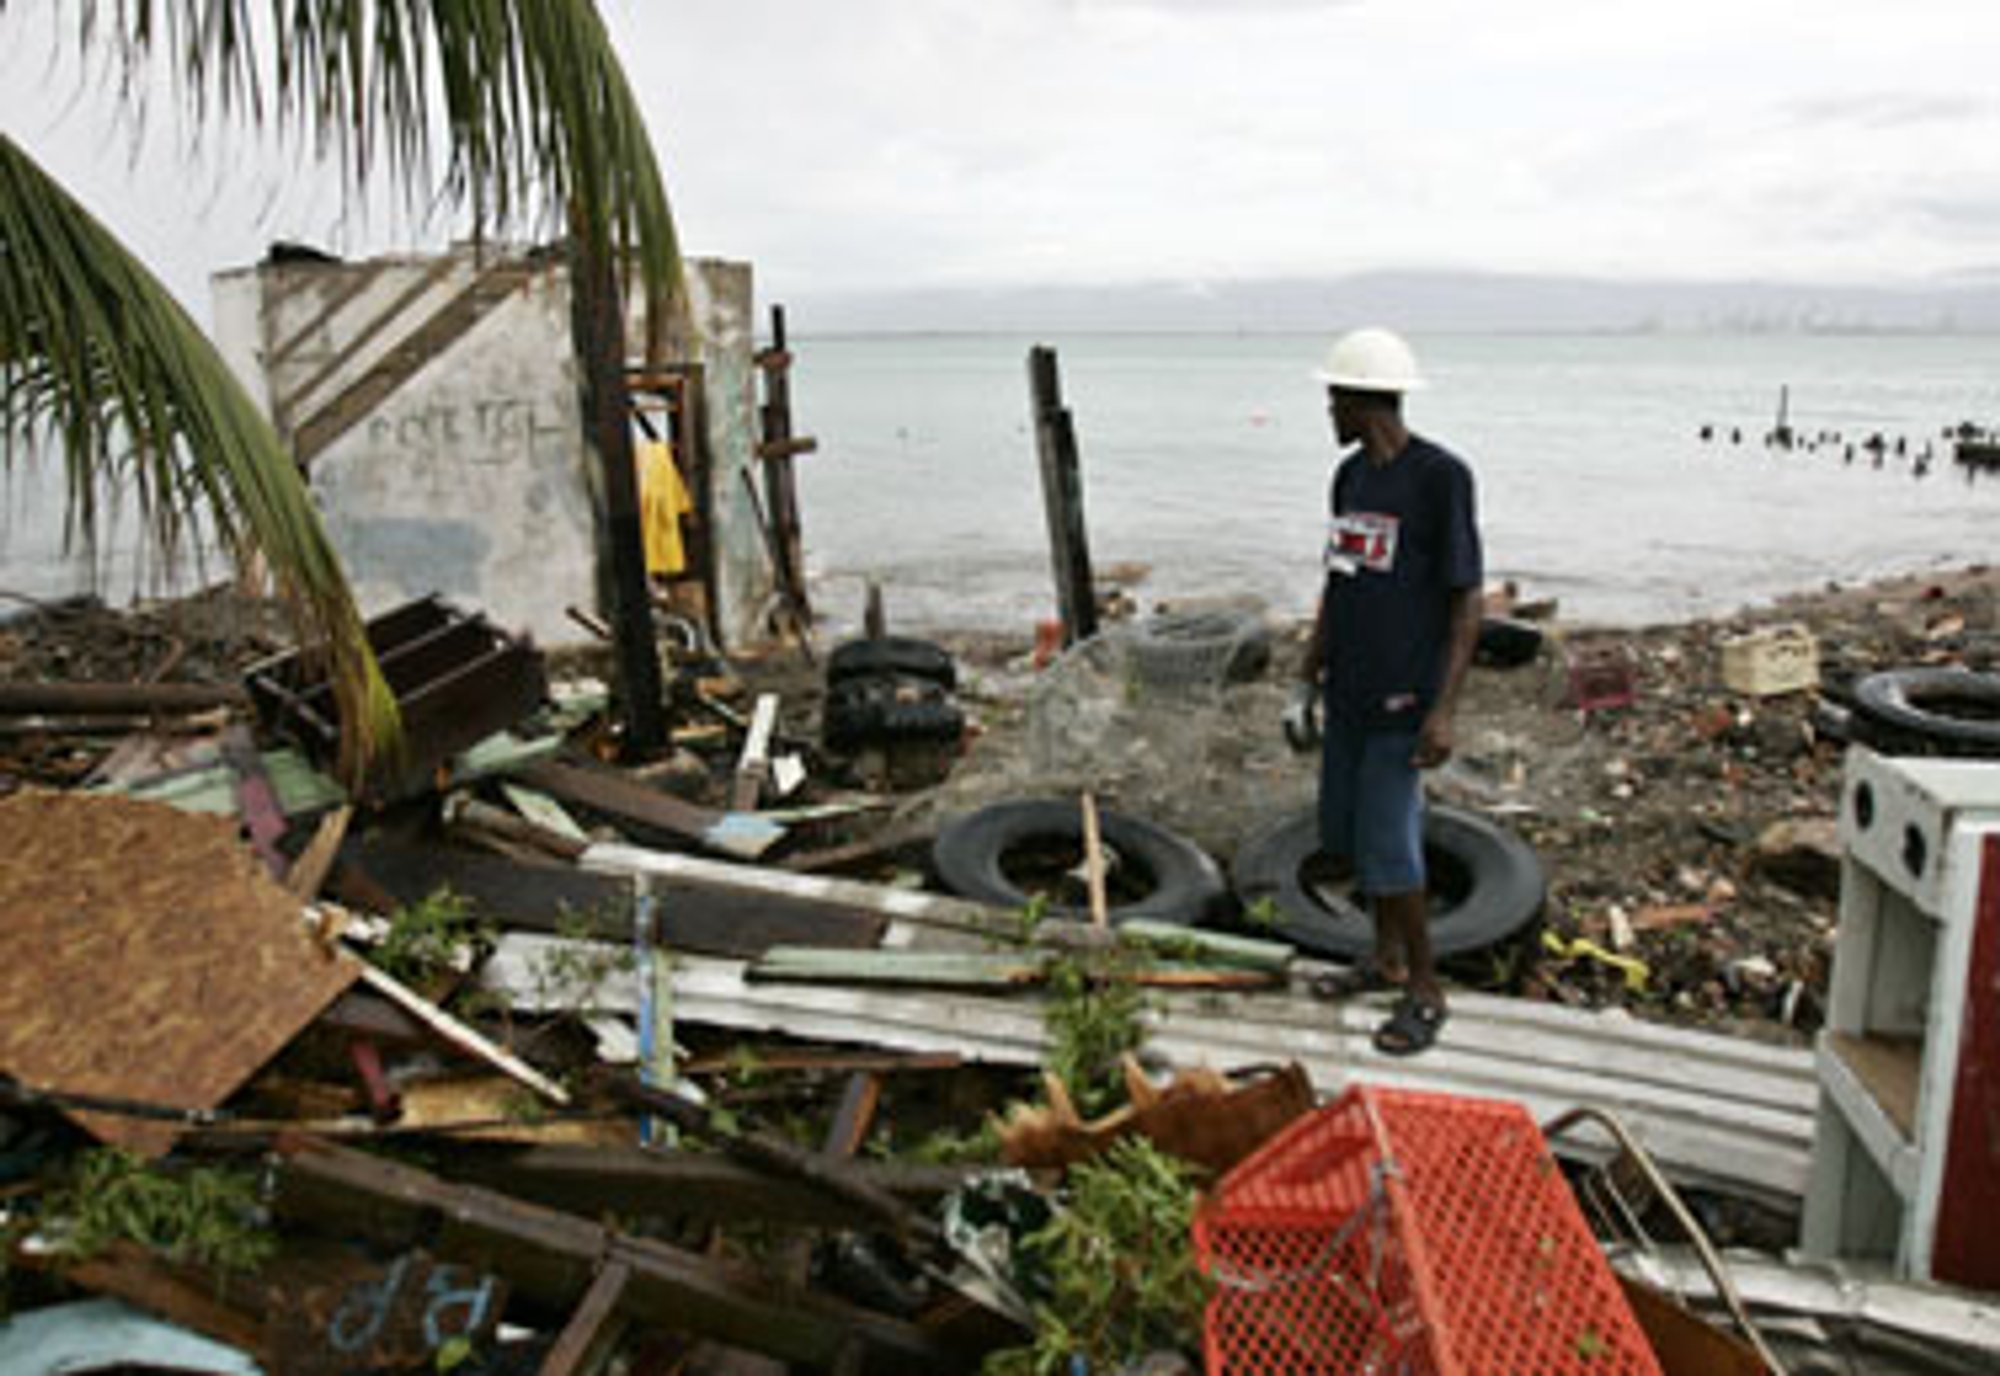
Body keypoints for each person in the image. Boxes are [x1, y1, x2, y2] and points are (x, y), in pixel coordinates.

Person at [1282, 327, 1483, 1056]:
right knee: (1350, 835)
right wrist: (1306, 679)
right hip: (1351, 694)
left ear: (1365, 401)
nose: (1328, 411)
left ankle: (1424, 989)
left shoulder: (1440, 479)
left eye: (1335, 397)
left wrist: (1445, 709)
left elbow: (1466, 601)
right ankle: (1383, 959)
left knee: (1392, 846)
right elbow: (1339, 584)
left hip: (1406, 699)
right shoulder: (1351, 479)